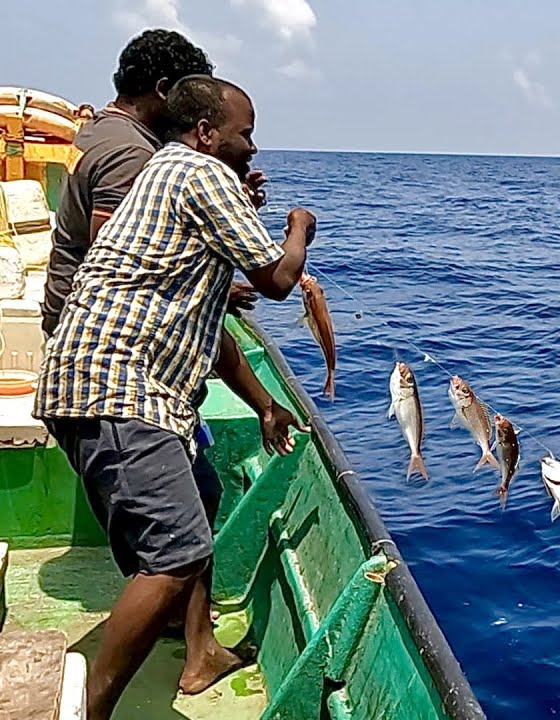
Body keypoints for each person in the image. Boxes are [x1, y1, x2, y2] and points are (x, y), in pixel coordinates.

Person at [34, 75, 315, 720]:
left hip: (101, 385)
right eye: (244, 132)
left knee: (204, 494)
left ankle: (200, 652)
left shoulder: (168, 175)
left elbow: (200, 321)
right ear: (206, 133)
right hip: (119, 388)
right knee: (178, 551)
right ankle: (89, 711)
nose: (252, 146)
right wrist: (298, 226)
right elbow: (276, 278)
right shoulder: (197, 169)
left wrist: (263, 404)